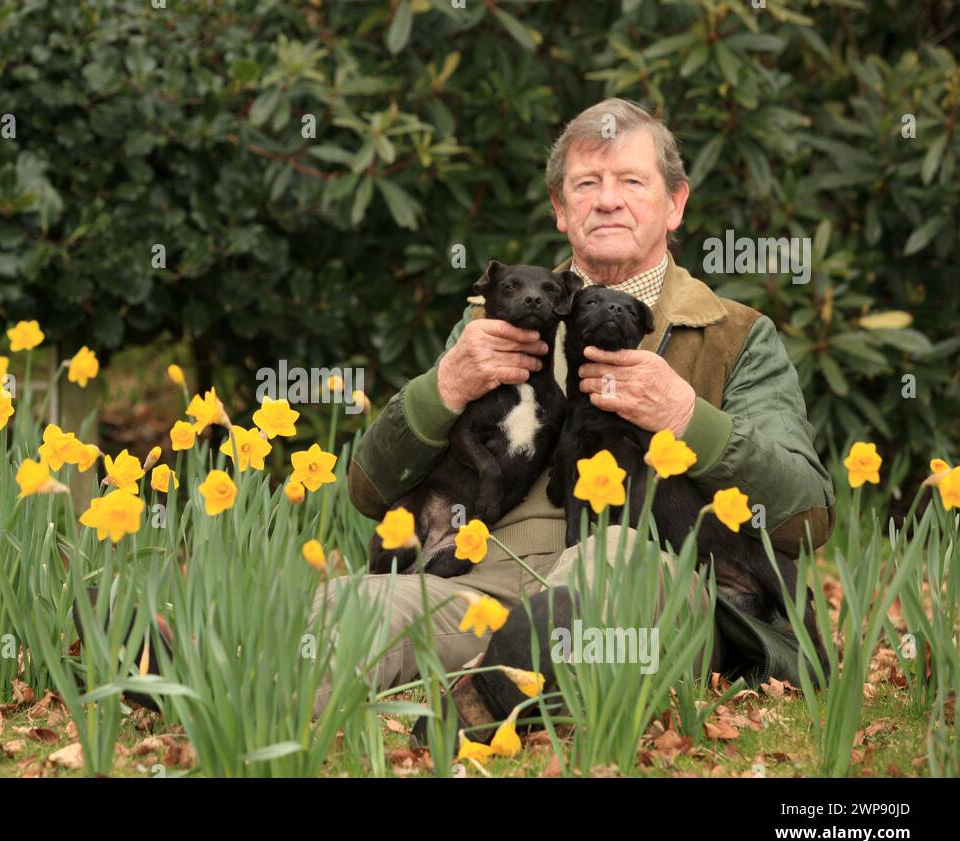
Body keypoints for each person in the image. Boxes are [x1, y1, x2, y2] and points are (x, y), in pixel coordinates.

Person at [315, 97, 835, 719]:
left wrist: (685, 414)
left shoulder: (734, 334)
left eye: (632, 182)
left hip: (646, 584)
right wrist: (444, 386)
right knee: (345, 608)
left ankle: (507, 688)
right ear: (562, 210)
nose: (607, 200)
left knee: (609, 563)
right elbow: (370, 488)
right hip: (479, 581)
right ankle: (211, 673)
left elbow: (805, 515)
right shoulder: (494, 317)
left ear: (675, 204)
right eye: (587, 184)